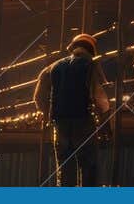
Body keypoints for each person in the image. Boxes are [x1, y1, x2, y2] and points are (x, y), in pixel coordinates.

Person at [33, 32, 111, 186]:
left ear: (72, 48)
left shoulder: (53, 67)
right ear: (90, 51)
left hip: (60, 125)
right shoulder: (90, 66)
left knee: (65, 171)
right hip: (84, 123)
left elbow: (38, 97)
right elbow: (100, 97)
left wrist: (50, 114)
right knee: (88, 169)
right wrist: (105, 122)